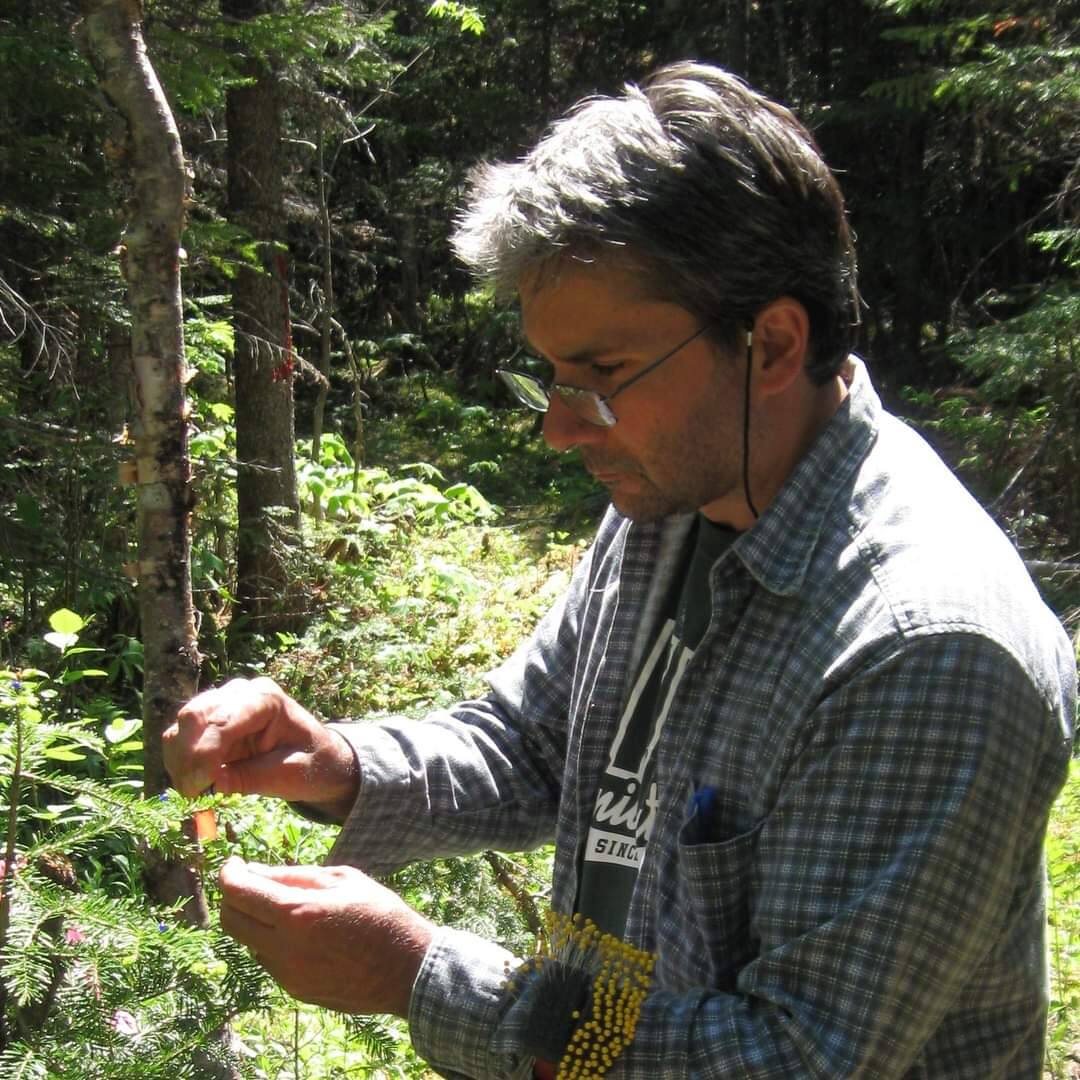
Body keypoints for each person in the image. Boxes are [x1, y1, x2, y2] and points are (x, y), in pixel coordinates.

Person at [164, 62, 1076, 1078]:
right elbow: (534, 746)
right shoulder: (674, 501)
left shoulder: (925, 653)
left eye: (601, 377)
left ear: (772, 341)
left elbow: (786, 1059)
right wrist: (337, 765)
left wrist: (417, 973)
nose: (559, 428)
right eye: (551, 376)